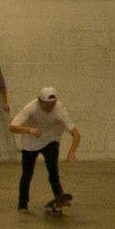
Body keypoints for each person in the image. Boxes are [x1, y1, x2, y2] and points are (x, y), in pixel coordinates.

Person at [8, 85, 81, 213]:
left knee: (53, 171)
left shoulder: (59, 109)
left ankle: (59, 199)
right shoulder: (31, 107)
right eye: (48, 104)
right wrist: (29, 130)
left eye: (53, 103)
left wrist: (72, 152)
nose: (51, 106)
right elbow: (12, 127)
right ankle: (22, 203)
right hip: (30, 143)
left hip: (51, 140)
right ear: (40, 101)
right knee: (27, 174)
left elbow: (76, 134)